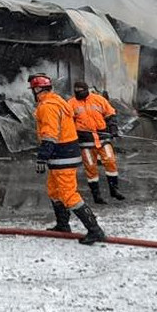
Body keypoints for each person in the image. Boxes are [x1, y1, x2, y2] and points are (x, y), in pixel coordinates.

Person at [29, 73, 105, 245]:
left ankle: (95, 230)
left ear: (38, 90)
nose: (33, 93)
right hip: (62, 156)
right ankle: (63, 225)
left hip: (62, 156)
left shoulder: (47, 106)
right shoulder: (58, 101)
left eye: (33, 90)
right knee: (54, 191)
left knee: (69, 194)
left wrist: (42, 157)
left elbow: (49, 134)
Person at [69, 80, 123, 202]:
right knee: (91, 167)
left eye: (81, 91)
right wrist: (76, 134)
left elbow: (110, 114)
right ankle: (96, 195)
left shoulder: (99, 99)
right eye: (77, 91)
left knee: (110, 161)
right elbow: (69, 123)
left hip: (103, 138)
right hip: (85, 142)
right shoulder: (71, 103)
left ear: (87, 90)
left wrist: (113, 128)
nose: (79, 93)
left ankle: (114, 190)